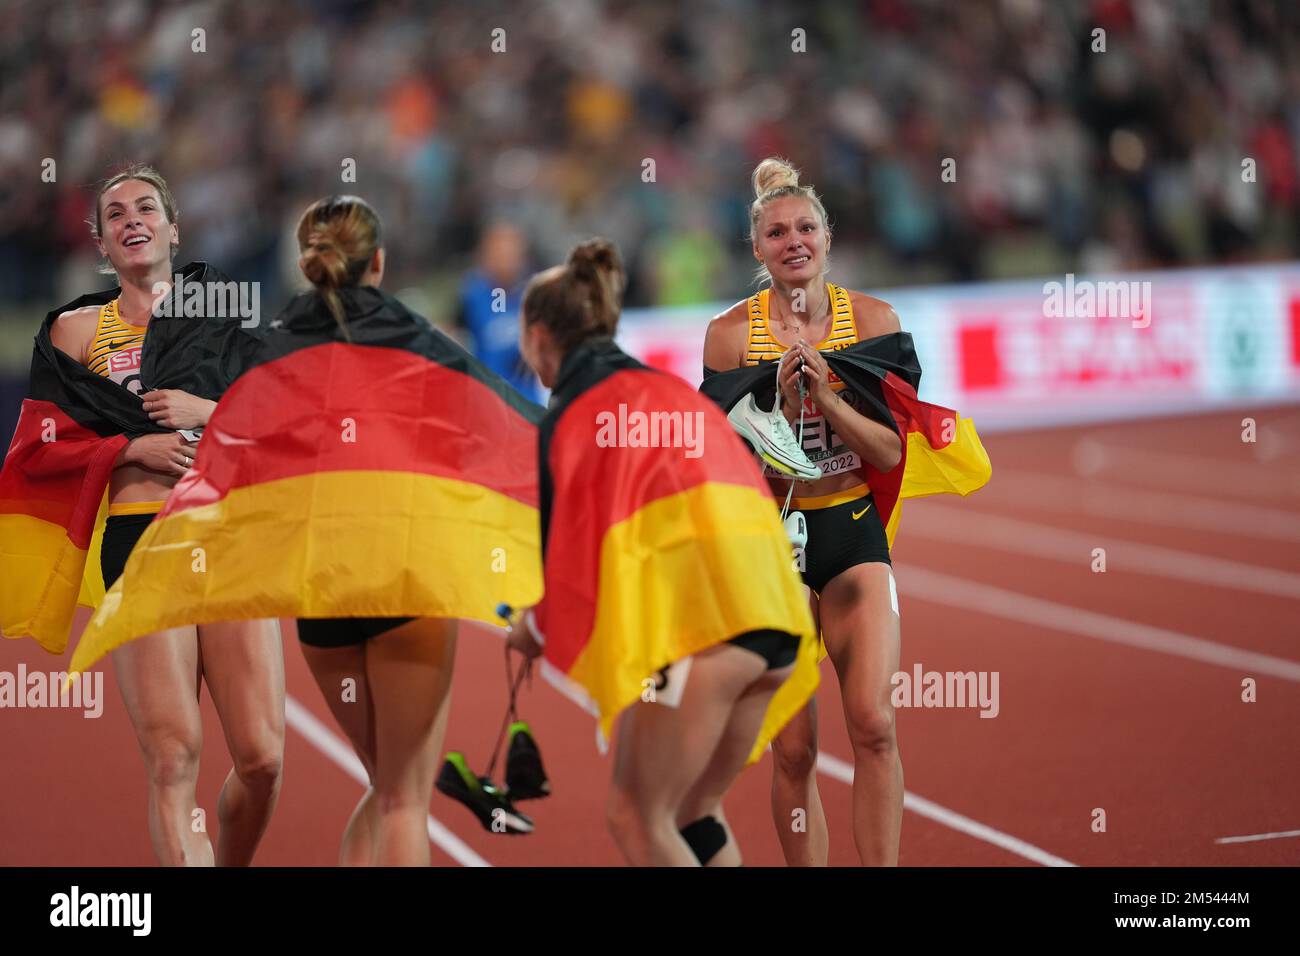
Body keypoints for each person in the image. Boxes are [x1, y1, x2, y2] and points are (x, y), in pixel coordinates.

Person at [509, 238, 817, 866]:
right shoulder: (670, 390)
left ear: (540, 337)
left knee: (635, 816)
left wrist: (533, 626)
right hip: (777, 619)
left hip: (706, 633)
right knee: (692, 812)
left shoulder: (570, 415)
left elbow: (567, 556)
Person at [48, 165, 283, 866]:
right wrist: (131, 447)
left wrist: (204, 413)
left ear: (174, 229)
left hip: (225, 534)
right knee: (175, 756)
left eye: (145, 206)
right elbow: (48, 449)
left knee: (264, 757)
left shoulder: (229, 318)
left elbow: (285, 425)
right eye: (114, 212)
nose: (130, 218)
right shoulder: (74, 331)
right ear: (100, 241)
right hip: (141, 539)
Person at [703, 157, 907, 866]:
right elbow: (716, 465)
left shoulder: (875, 323)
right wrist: (769, 413)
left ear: (827, 237)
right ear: (757, 249)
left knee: (875, 724)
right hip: (771, 552)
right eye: (777, 231)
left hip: (851, 534)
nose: (795, 240)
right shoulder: (731, 336)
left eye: (806, 227)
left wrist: (825, 399)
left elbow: (886, 453)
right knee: (793, 751)